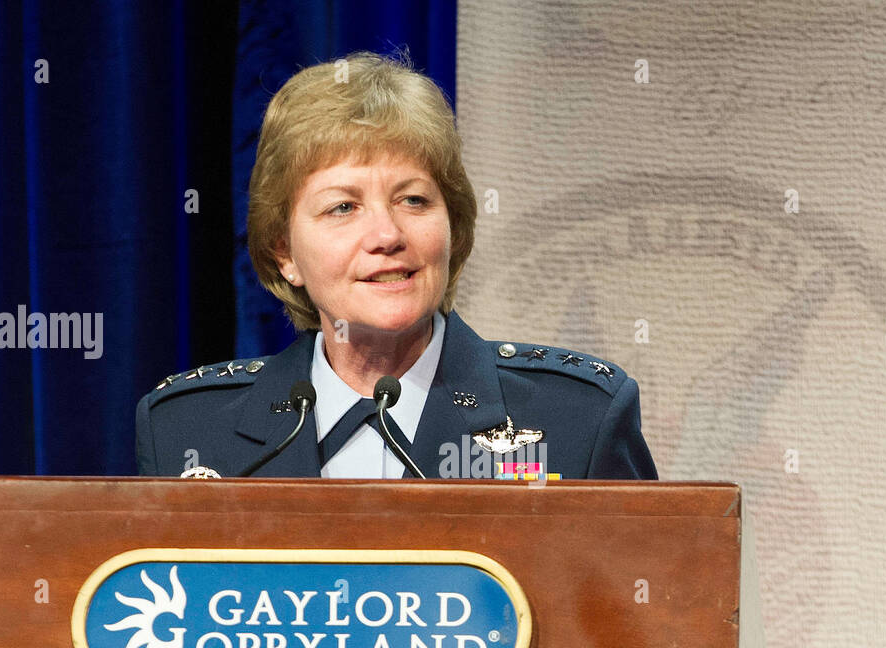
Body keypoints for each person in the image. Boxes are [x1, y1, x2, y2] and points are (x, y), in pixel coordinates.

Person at [136, 52, 657, 481]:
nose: (387, 236)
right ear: (285, 254)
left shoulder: (580, 420)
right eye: (343, 207)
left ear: (452, 226)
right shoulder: (185, 431)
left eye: (413, 201)